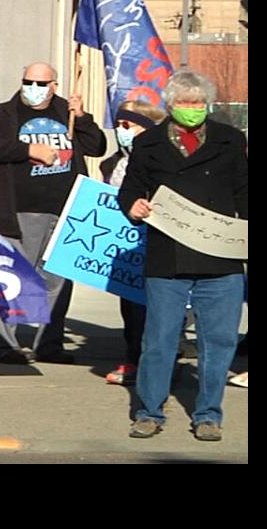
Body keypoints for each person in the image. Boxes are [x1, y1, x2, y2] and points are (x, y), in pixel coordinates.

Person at [119, 70, 247, 441]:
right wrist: (133, 205)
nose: (192, 109)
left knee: (218, 341)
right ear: (170, 104)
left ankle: (208, 414)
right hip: (167, 256)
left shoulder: (230, 139)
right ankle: (149, 411)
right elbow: (130, 188)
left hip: (220, 256)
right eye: (184, 103)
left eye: (198, 103)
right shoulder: (149, 144)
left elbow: (244, 191)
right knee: (158, 338)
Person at [0, 62, 107, 364]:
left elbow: (96, 146)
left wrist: (83, 118)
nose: (33, 88)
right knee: (15, 277)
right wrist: (27, 150)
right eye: (28, 82)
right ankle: (6, 345)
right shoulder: (3, 115)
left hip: (63, 212)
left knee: (56, 282)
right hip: (19, 211)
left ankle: (48, 343)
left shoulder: (66, 113)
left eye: (41, 83)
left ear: (54, 86)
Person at [98, 100, 167, 386]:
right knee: (131, 308)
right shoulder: (113, 161)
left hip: (154, 244)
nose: (121, 131)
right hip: (125, 248)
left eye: (128, 125)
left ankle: (157, 363)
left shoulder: (160, 158)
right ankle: (133, 356)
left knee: (156, 309)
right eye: (118, 125)